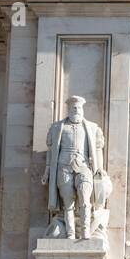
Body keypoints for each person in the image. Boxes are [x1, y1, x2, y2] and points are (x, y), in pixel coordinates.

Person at [43, 96, 106, 240]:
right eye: (74, 107)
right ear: (69, 109)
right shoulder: (57, 127)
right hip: (63, 167)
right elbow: (51, 151)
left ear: (82, 109)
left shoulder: (92, 127)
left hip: (84, 167)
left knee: (85, 200)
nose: (76, 110)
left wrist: (100, 168)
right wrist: (47, 171)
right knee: (68, 203)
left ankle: (86, 232)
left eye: (79, 108)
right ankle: (70, 233)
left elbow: (97, 150)